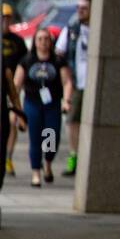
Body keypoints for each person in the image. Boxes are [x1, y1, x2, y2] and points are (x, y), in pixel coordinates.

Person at [13, 26, 72, 187]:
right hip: (32, 104)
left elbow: (66, 82)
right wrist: (15, 108)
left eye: (46, 39)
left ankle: (47, 162)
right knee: (35, 138)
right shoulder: (27, 60)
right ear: (35, 42)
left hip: (52, 104)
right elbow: (16, 85)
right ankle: (35, 173)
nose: (43, 42)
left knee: (51, 135)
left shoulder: (58, 61)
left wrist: (66, 100)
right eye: (40, 39)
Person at [54, 0, 92, 177]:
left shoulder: (100, 28)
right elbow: (59, 55)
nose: (80, 12)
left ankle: (88, 158)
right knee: (72, 122)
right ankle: (74, 157)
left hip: (94, 85)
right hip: (77, 83)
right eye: (79, 8)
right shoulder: (71, 30)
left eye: (84, 8)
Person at [1, 4, 27, 187]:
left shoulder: (18, 42)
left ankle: (8, 158)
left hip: (12, 92)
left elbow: (23, 66)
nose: (5, 21)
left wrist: (19, 111)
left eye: (7, 17)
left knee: (11, 125)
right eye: (3, 17)